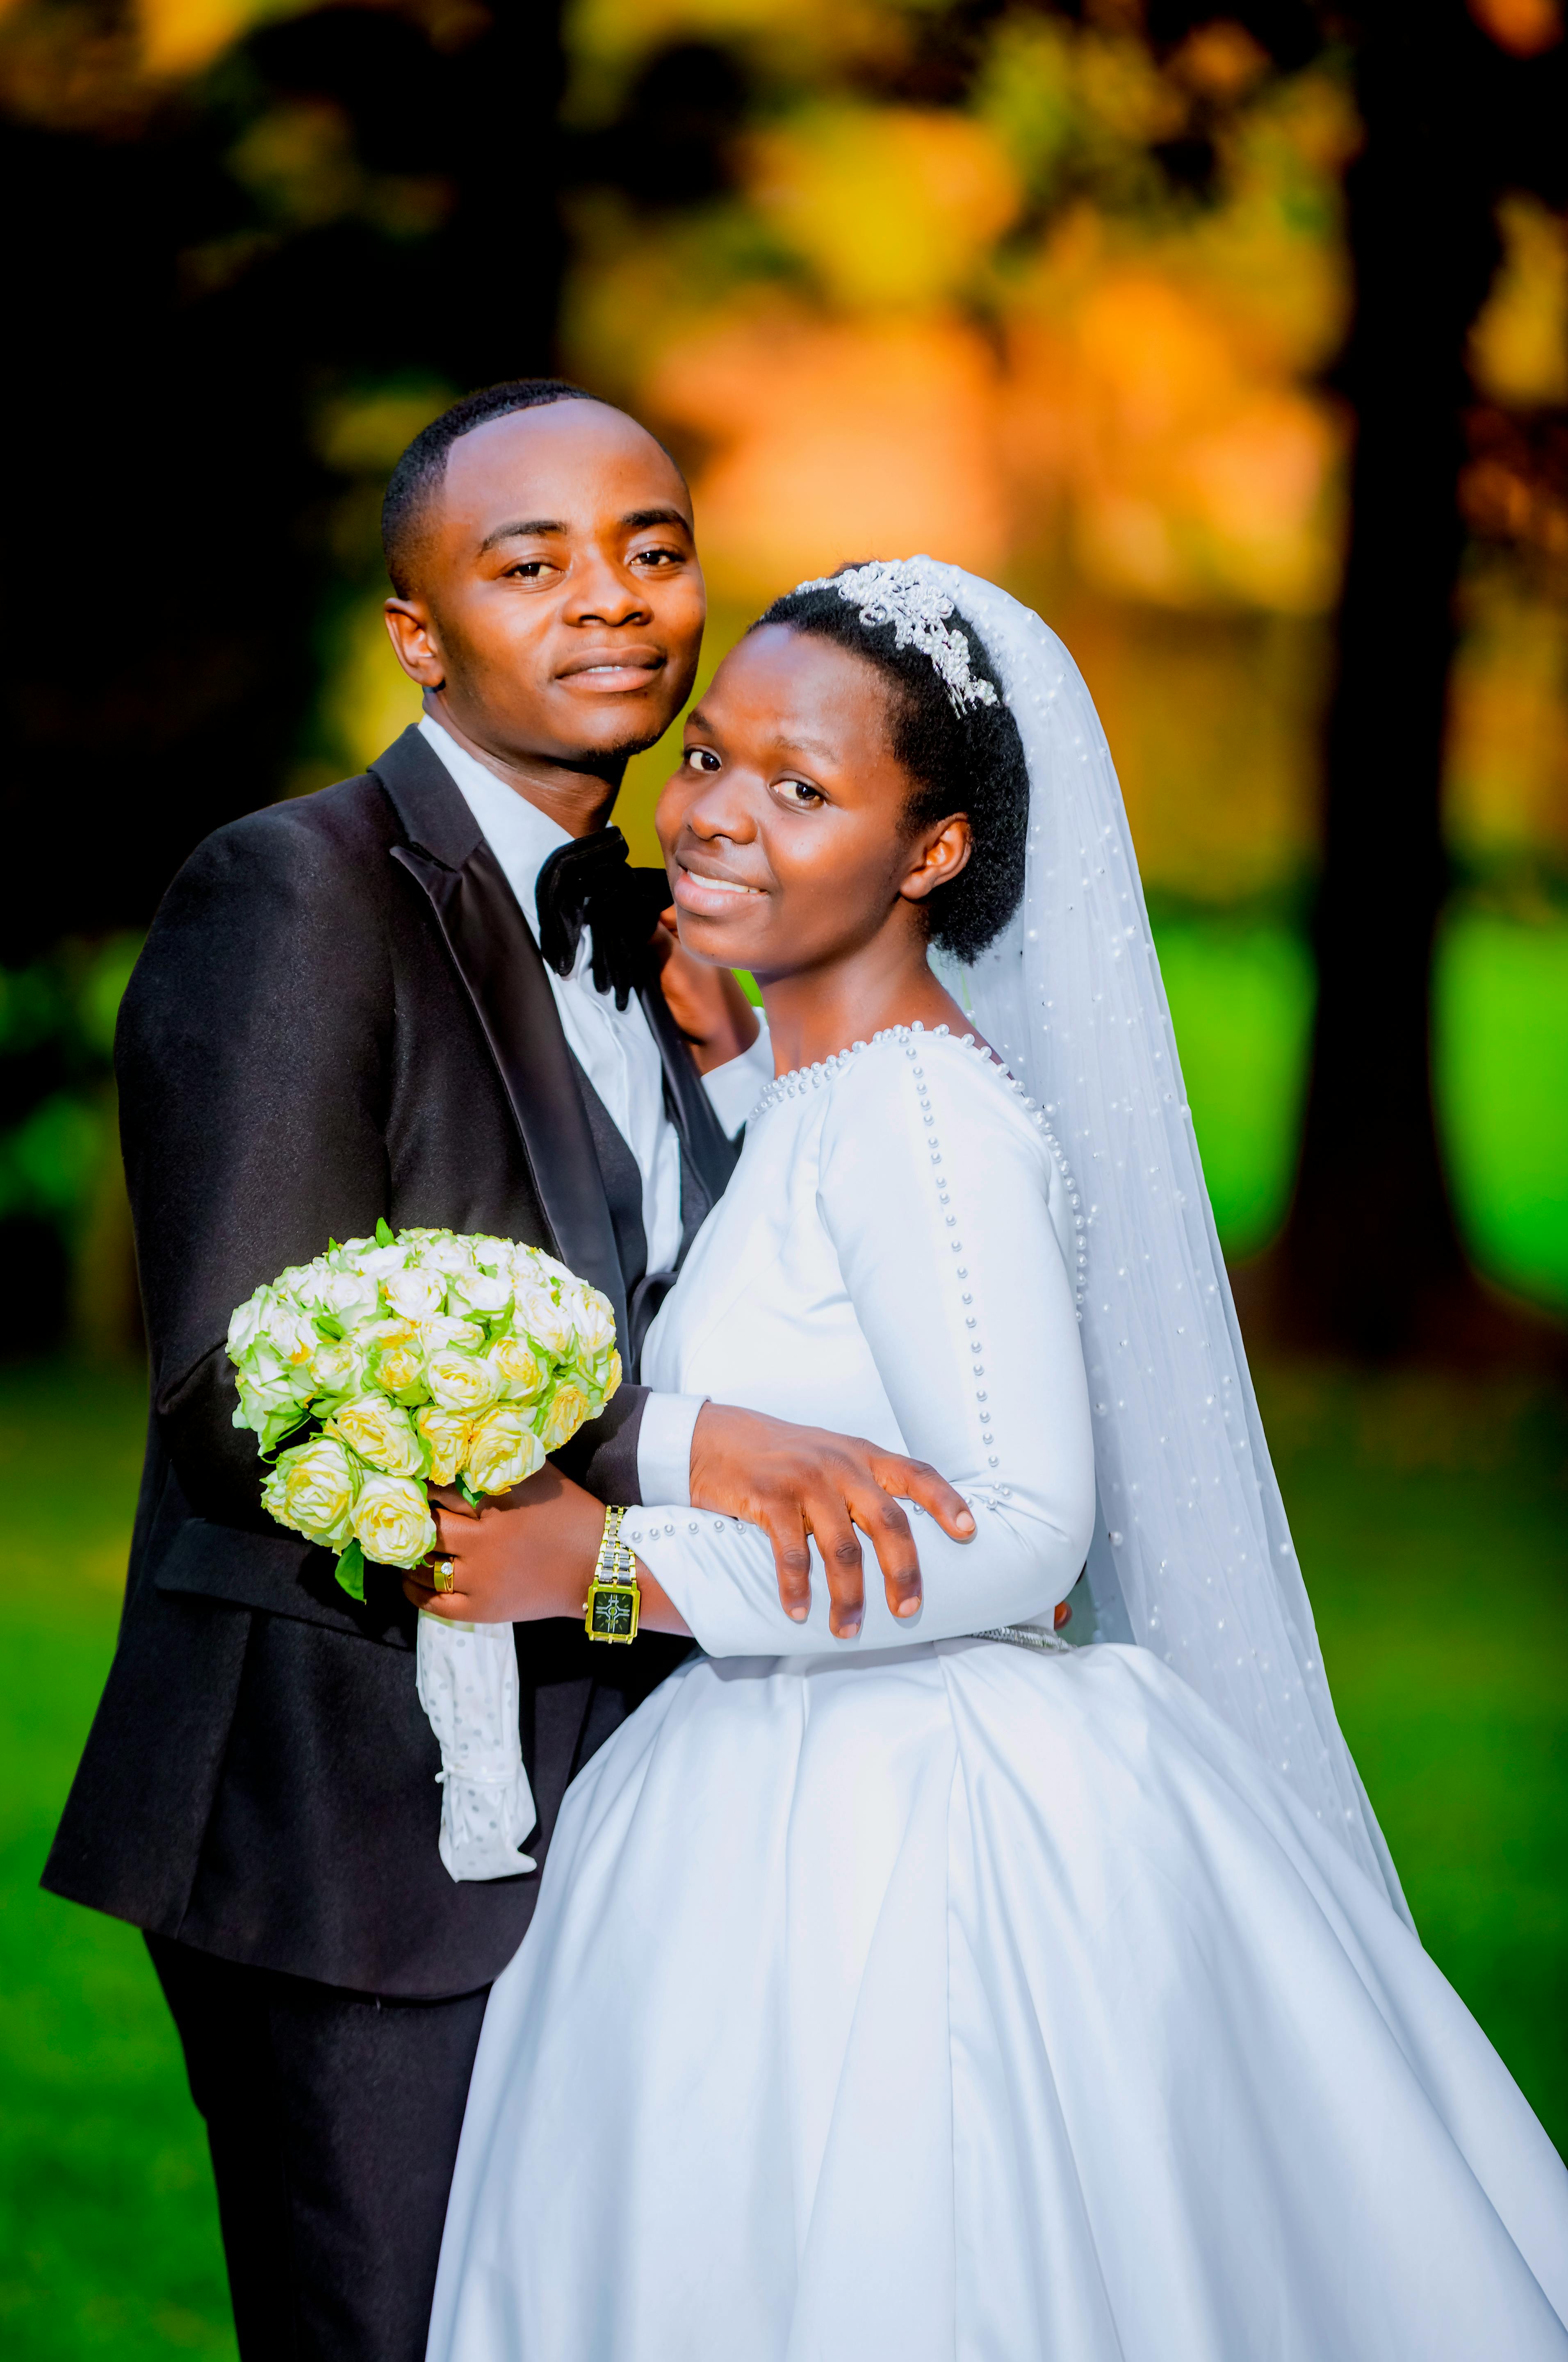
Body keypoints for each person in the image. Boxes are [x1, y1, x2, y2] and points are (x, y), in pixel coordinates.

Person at [418, 560, 1568, 2360]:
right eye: (714, 757)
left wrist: (606, 1569)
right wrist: (726, 1068)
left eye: (806, 790)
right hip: (769, 1764)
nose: (716, 810)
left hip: (898, 1816)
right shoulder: (830, 1093)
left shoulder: (923, 1122)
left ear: (933, 853)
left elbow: (1026, 1529)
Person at [40, 393, 974, 2362]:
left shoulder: (694, 945)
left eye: (651, 547)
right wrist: (702, 1453)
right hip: (352, 1818)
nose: (612, 602)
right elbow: (248, 1381)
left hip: (652, 1797)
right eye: (528, 563)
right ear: (417, 633)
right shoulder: (295, 894)